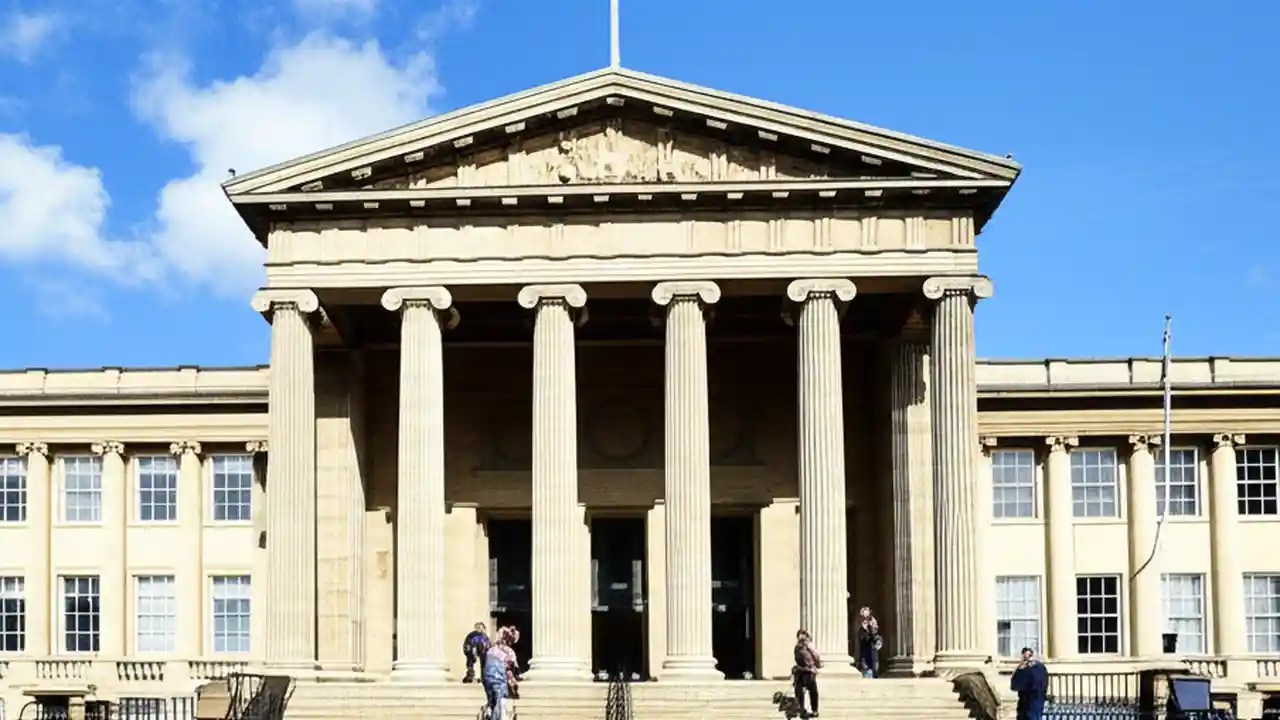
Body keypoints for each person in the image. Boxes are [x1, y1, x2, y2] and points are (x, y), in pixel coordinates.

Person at [482, 628, 519, 720]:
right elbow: (511, 668)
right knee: (501, 703)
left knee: (492, 700)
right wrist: (514, 682)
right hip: (500, 680)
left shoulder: (491, 650)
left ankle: (488, 712)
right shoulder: (509, 651)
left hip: (488, 679)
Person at [1010, 647, 1049, 720]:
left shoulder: (1038, 667)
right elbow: (1014, 684)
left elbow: (1043, 682)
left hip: (1034, 698)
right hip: (1026, 700)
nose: (1027, 658)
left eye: (1029, 656)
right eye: (1025, 656)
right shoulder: (1022, 668)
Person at [792, 629, 821, 718]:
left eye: (805, 638)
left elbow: (817, 657)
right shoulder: (798, 648)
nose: (803, 640)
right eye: (801, 638)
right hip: (801, 671)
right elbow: (798, 658)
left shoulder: (810, 648)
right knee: (799, 691)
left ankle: (814, 710)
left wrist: (815, 666)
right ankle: (801, 709)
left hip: (809, 672)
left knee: (813, 691)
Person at [856, 606, 881, 678]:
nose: (866, 613)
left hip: (872, 645)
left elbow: (875, 631)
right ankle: (868, 673)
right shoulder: (860, 622)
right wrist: (864, 627)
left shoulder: (872, 620)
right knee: (864, 661)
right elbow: (861, 635)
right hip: (865, 645)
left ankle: (874, 673)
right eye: (864, 611)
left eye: (867, 611)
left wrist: (872, 626)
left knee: (873, 662)